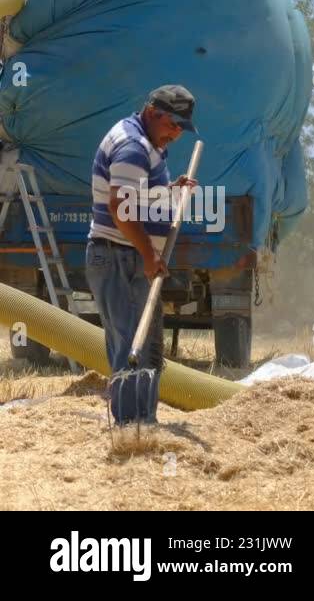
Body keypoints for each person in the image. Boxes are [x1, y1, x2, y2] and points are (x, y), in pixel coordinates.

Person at [86, 85, 198, 425]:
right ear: (152, 112)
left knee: (144, 347)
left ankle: (141, 422)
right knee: (132, 349)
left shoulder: (147, 142)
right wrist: (150, 254)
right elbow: (121, 207)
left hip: (127, 255)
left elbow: (137, 195)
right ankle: (131, 427)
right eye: (172, 124)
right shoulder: (133, 146)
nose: (176, 133)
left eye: (182, 127)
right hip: (120, 257)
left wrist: (169, 190)